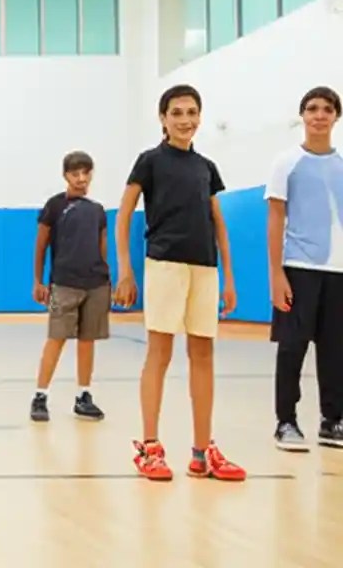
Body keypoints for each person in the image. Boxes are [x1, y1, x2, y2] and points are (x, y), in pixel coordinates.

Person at [114, 84, 245, 482]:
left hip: (205, 269)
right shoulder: (150, 161)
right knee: (160, 354)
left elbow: (217, 221)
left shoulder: (206, 167)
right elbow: (123, 215)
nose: (185, 119)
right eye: (177, 113)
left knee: (203, 355)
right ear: (163, 118)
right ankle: (149, 447)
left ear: (200, 117)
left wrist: (229, 277)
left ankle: (202, 452)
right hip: (165, 265)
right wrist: (125, 269)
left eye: (191, 112)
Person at [266, 86, 343, 451]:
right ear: (303, 115)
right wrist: (276, 273)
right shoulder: (287, 162)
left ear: (336, 117)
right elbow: (275, 219)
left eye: (327, 109)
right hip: (298, 267)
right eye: (312, 108)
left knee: (335, 349)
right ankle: (286, 421)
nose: (319, 114)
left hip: (338, 273)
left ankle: (332, 421)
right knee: (292, 347)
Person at [29, 150, 109, 423]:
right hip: (64, 284)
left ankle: (83, 396)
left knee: (88, 340)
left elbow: (102, 248)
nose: (81, 178)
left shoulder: (97, 210)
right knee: (57, 338)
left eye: (86, 173)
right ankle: (40, 395)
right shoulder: (54, 206)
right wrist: (39, 280)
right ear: (65, 176)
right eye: (75, 173)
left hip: (95, 284)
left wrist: (106, 281)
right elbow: (41, 246)